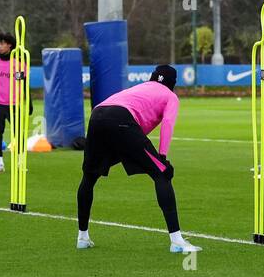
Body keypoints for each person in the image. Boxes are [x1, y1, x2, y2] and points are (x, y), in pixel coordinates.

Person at [76, 64, 199, 253]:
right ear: (172, 83)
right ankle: (177, 241)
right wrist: (162, 158)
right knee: (162, 174)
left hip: (97, 115)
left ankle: (82, 237)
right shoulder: (170, 96)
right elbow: (167, 124)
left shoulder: (140, 88)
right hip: (121, 119)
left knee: (89, 177)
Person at [0, 31, 28, 174]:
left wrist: (29, 102)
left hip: (14, 104)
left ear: (10, 45)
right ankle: (0, 164)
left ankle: (20, 163)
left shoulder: (18, 64)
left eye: (3, 43)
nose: (0, 46)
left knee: (18, 134)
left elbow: (23, 83)